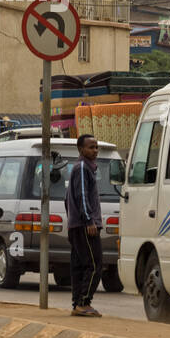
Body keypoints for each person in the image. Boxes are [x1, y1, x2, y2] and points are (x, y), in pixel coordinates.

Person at [66, 134, 104, 318]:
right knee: (94, 264)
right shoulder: (82, 167)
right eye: (91, 147)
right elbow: (81, 195)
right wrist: (89, 220)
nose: (95, 150)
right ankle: (83, 302)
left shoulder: (85, 168)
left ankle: (78, 303)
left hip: (77, 224)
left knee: (80, 265)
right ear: (81, 149)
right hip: (84, 225)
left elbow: (69, 200)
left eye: (96, 147)